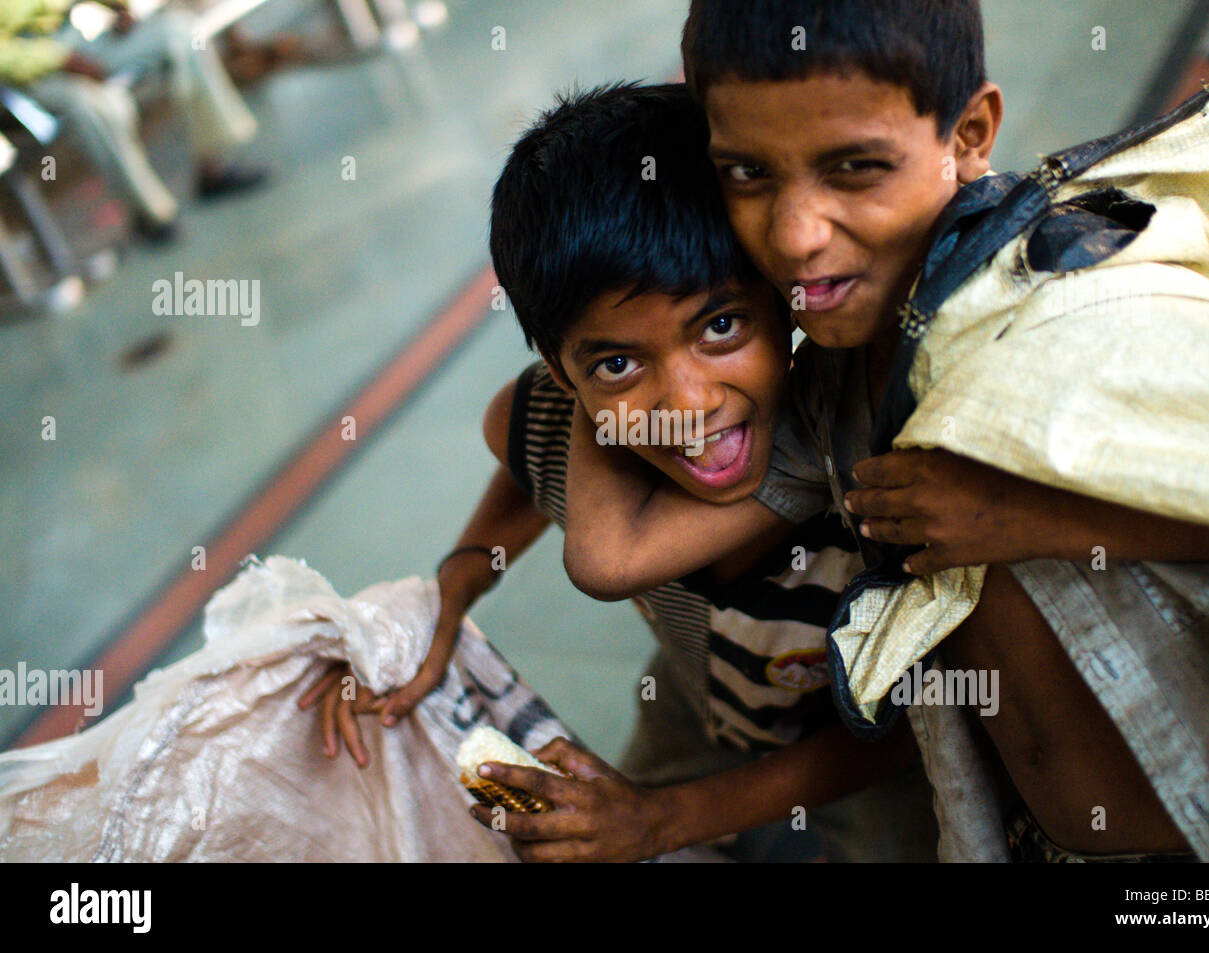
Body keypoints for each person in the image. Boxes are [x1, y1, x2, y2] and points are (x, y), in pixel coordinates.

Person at [564, 1, 1209, 861]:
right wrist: (591, 352)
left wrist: (1037, 520)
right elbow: (612, 557)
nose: (797, 236)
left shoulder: (1074, 301)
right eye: (748, 174)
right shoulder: (837, 388)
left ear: (971, 132)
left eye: (855, 167)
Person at [300, 82, 939, 863]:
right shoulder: (546, 422)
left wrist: (666, 818)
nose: (687, 403)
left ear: (782, 299)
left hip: (853, 741)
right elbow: (523, 459)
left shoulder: (866, 477)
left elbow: (898, 734)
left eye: (721, 324)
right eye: (617, 361)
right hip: (698, 700)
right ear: (564, 380)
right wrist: (461, 579)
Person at [2, 0, 266, 240]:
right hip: (35, 69)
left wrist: (119, 7)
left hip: (79, 39)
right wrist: (59, 59)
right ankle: (151, 213)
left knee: (180, 32)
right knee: (90, 106)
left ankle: (213, 167)